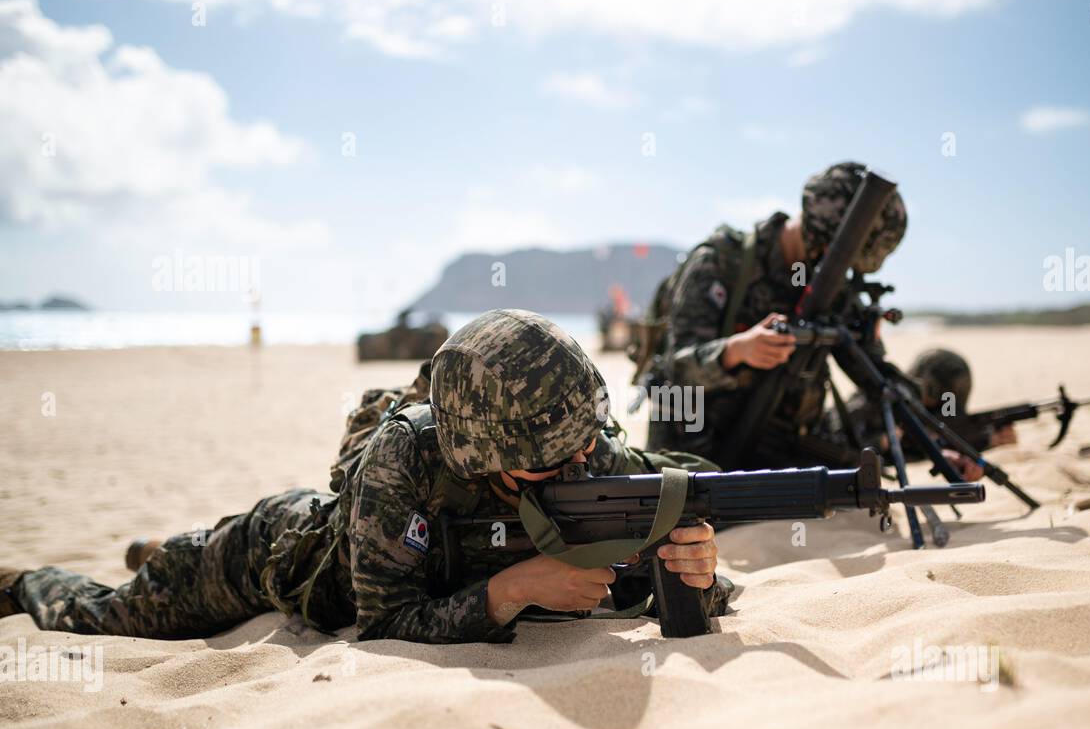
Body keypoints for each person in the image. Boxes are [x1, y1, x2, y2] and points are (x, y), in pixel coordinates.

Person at [0, 310, 730, 644]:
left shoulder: (564, 444)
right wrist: (510, 592)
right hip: (275, 560)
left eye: (584, 447)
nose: (581, 464)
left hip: (369, 545)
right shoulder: (404, 459)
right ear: (482, 449)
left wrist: (696, 568)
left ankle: (156, 547)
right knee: (105, 616)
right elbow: (382, 621)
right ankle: (24, 581)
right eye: (556, 459)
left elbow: (687, 488)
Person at [645, 161, 1010, 479]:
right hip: (704, 444)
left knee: (939, 374)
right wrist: (736, 352)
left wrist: (935, 445)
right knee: (676, 400)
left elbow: (876, 379)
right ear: (824, 240)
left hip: (785, 439)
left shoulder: (833, 288)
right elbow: (674, 372)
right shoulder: (720, 263)